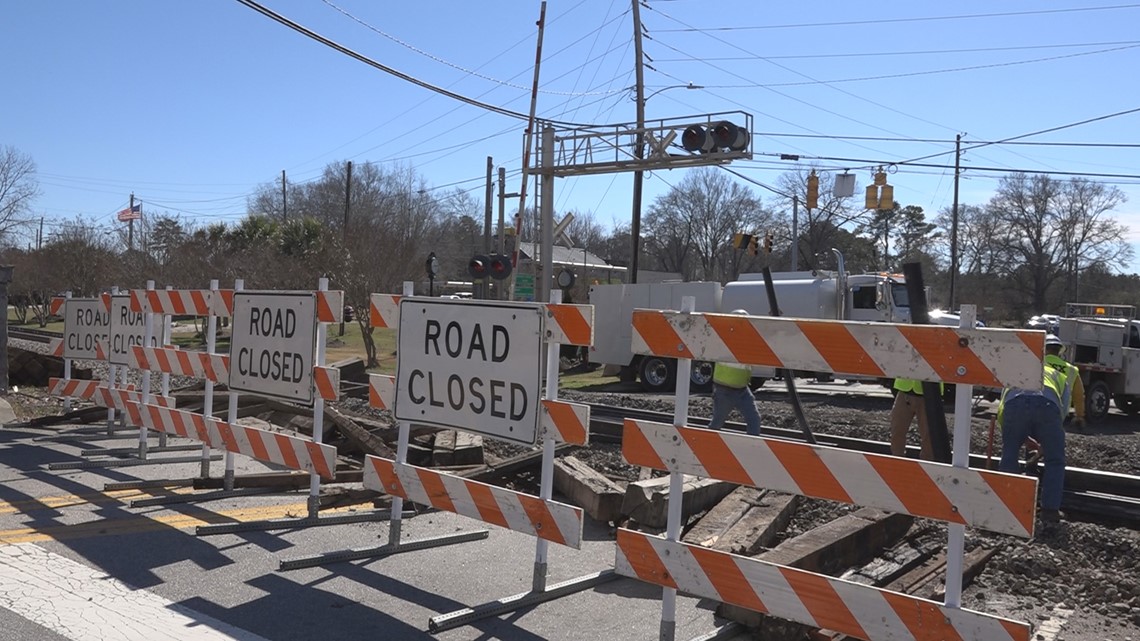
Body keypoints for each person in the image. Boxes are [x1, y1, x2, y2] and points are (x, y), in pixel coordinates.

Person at [997, 334, 1080, 522]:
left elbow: (1003, 408)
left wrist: (1021, 437)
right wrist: (1047, 441)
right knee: (1055, 461)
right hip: (1048, 406)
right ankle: (1050, 511)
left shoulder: (1017, 371)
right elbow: (1062, 411)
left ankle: (1007, 507)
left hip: (1014, 406)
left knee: (1009, 454)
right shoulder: (1059, 375)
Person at [707, 309, 762, 437]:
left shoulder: (747, 340)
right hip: (724, 390)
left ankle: (753, 447)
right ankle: (706, 447)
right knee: (717, 423)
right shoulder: (726, 339)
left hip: (742, 389)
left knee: (754, 419)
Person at [888, 377, 935, 459]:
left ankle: (926, 466)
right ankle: (897, 463)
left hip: (929, 393)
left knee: (928, 435)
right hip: (904, 392)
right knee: (897, 429)